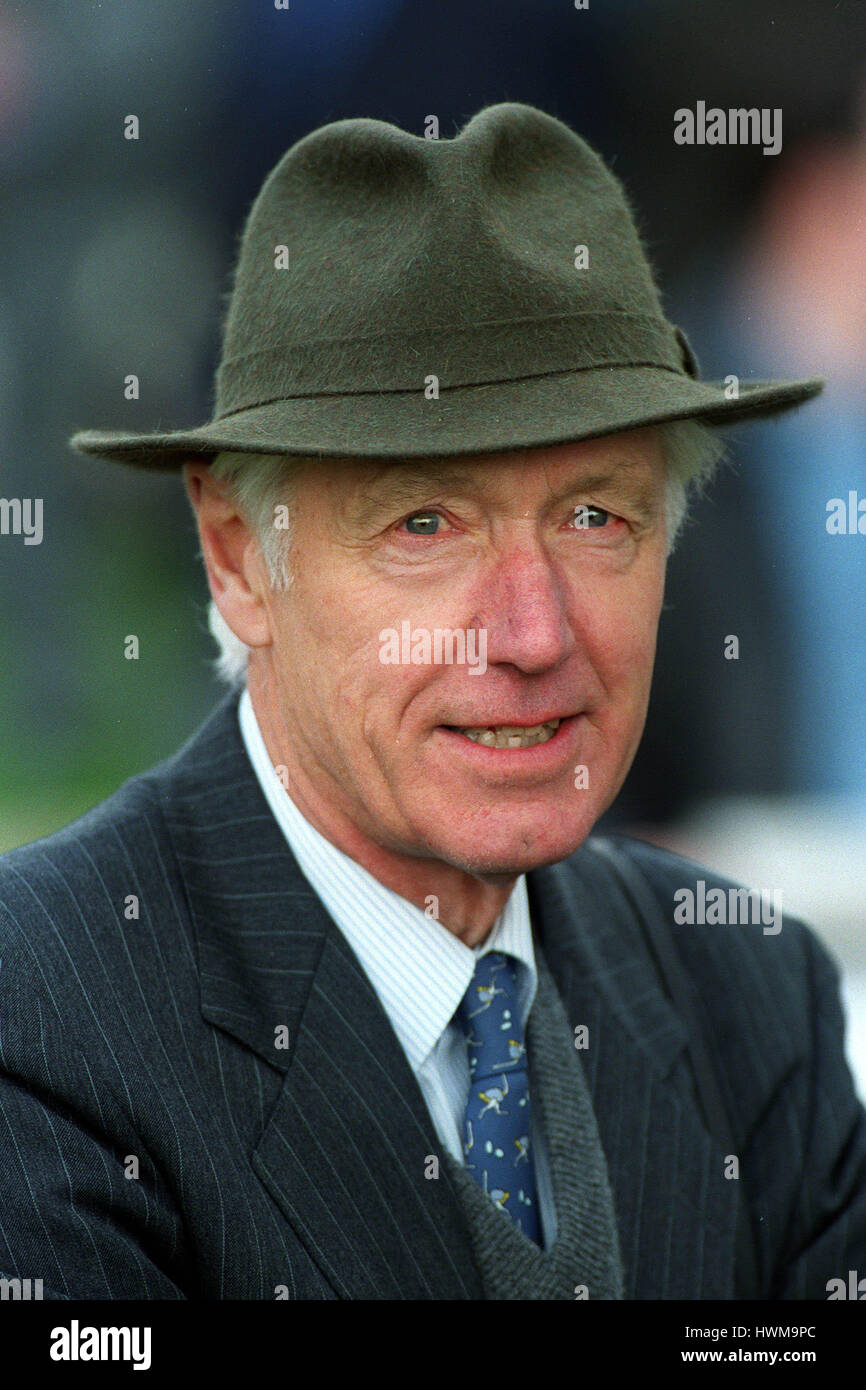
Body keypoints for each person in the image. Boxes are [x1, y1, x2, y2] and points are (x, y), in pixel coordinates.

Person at [1, 103, 863, 1301]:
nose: (534, 631)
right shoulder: (40, 1016)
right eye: (423, 523)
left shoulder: (752, 998)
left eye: (594, 516)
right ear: (239, 555)